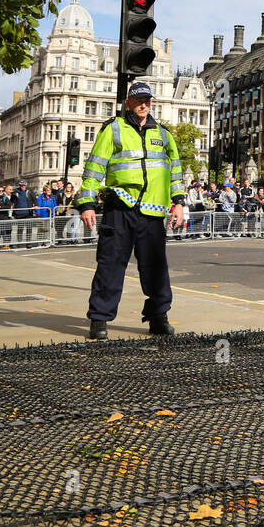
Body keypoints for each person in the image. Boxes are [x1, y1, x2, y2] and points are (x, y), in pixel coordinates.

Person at [76, 81, 185, 339]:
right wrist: (87, 203)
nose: (143, 105)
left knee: (157, 269)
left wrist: (179, 202)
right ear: (128, 103)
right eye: (138, 101)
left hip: (153, 212)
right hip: (120, 207)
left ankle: (158, 317)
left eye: (147, 101)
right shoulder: (113, 129)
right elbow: (94, 169)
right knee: (110, 265)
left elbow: (176, 172)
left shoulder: (164, 134)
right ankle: (100, 319)